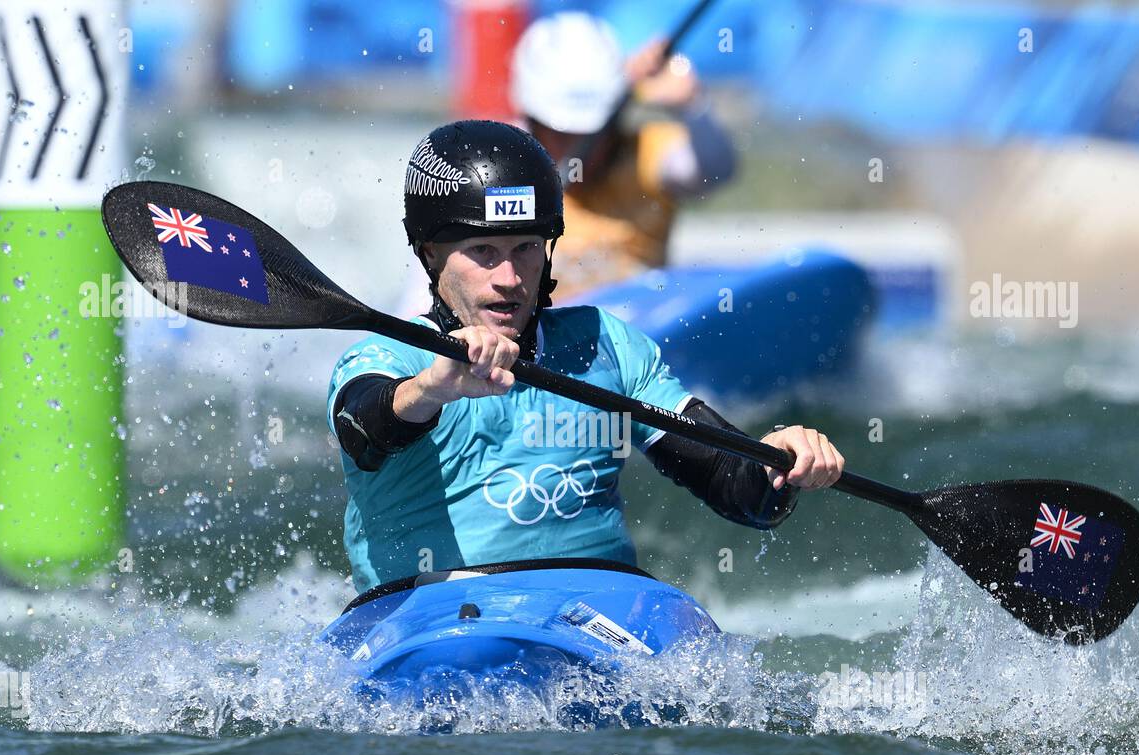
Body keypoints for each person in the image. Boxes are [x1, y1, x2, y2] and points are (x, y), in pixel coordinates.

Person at [328, 120, 841, 594]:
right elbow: (364, 429)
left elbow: (736, 487)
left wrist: (779, 462)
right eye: (484, 251)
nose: (509, 279)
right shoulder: (387, 353)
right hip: (428, 621)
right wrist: (432, 388)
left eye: (526, 248)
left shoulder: (607, 345)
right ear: (430, 253)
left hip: (590, 620)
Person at [510, 11, 737, 297]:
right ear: (532, 121)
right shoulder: (505, 164)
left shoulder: (646, 154)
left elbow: (715, 171)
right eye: (562, 135)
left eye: (591, 133)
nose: (579, 150)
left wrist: (691, 105)